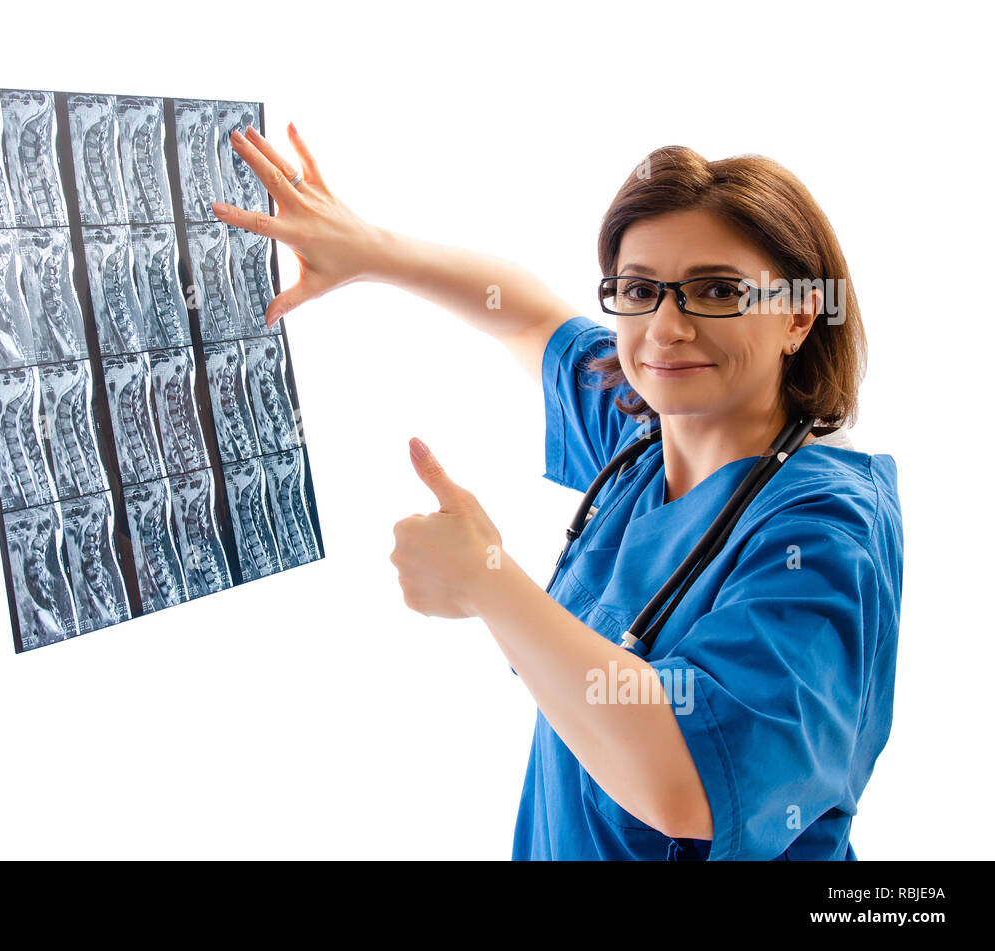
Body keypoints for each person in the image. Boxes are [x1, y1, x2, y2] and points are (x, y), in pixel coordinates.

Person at [212, 125, 903, 861]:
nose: (666, 328)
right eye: (639, 290)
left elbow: (686, 783)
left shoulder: (823, 528)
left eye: (717, 291)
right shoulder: (644, 434)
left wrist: (487, 579)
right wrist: (369, 251)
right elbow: (529, 314)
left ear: (799, 314)